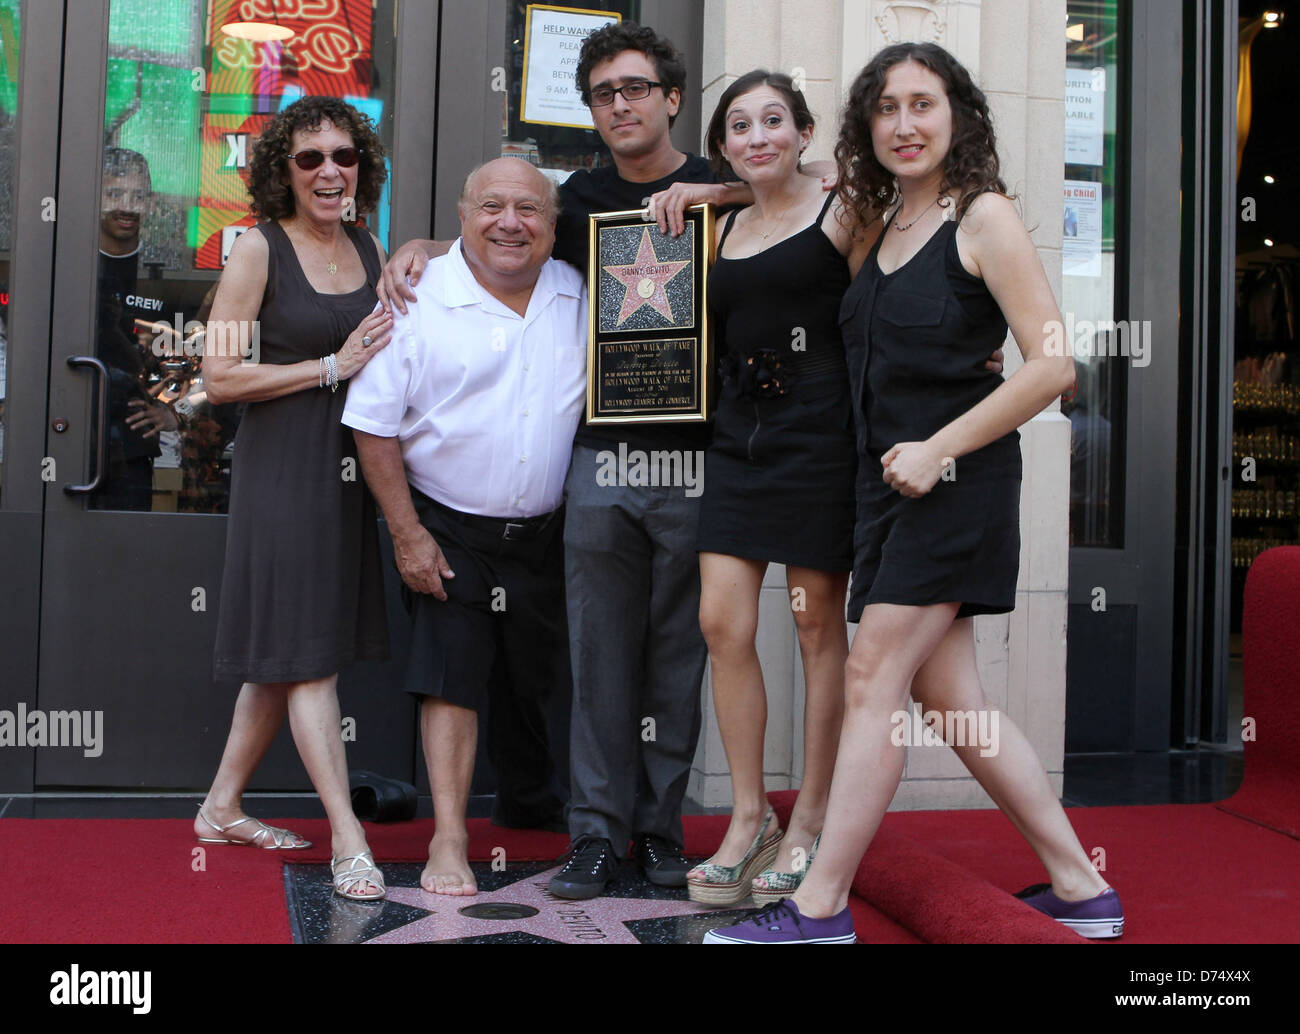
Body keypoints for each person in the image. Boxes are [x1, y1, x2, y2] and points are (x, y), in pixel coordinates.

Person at [705, 43, 1122, 943]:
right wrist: (721, 192)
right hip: (887, 490)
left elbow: (1054, 366)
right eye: (886, 109)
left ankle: (818, 908)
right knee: (955, 701)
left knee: (869, 675)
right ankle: (1082, 885)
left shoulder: (987, 217)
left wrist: (938, 447)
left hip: (956, 483)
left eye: (923, 104)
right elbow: (792, 185)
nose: (904, 124)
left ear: (959, 115)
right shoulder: (883, 218)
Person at [379, 21, 755, 899]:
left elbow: (824, 186)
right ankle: (594, 834)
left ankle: (660, 831)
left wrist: (718, 197)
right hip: (601, 459)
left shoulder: (727, 181)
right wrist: (422, 249)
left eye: (636, 88)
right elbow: (502, 231)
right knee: (596, 656)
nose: (620, 105)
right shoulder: (576, 197)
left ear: (672, 97)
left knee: (678, 655)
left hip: (700, 462)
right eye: (603, 94)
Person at [344, 158, 584, 896]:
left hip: (548, 530)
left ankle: (533, 809)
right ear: (462, 214)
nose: (510, 223)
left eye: (528, 210)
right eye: (491, 207)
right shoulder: (415, 299)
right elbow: (374, 427)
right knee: (451, 677)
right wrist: (407, 534)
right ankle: (449, 837)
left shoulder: (579, 292)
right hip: (447, 524)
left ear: (551, 224)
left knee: (537, 680)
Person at [681, 71, 872, 908]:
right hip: (739, 438)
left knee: (813, 628)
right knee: (720, 620)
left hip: (821, 439)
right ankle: (751, 814)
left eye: (773, 121)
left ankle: (812, 821)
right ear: (723, 145)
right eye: (739, 126)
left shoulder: (844, 210)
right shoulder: (719, 227)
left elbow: (892, 298)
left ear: (802, 131)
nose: (757, 136)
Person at [195, 96, 393, 902]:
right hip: (284, 468)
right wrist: (327, 369)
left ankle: (219, 807)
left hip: (351, 471)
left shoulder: (371, 246)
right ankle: (349, 834)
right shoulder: (256, 251)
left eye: (342, 156)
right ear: (282, 168)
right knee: (307, 655)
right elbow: (218, 377)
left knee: (286, 652)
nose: (328, 171)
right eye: (309, 158)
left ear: (360, 168)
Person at [93, 148, 181, 511]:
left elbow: (200, 350)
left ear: (152, 201)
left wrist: (174, 413)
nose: (126, 206)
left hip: (131, 450)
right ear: (93, 195)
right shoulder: (67, 261)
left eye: (138, 195)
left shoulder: (167, 273)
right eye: (114, 194)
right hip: (60, 434)